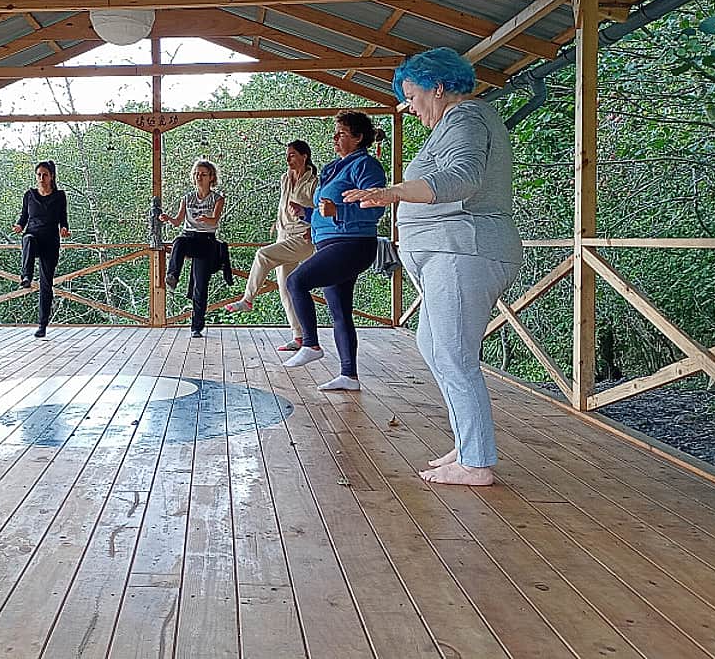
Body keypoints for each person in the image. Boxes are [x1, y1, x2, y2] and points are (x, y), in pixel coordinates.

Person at [343, 47, 522, 487]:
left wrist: (393, 193)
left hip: (465, 250)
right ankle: (467, 443)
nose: (409, 105)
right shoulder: (456, 123)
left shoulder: (466, 118)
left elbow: (463, 178)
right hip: (451, 254)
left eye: (412, 94)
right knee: (433, 344)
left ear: (438, 87)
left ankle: (477, 462)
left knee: (454, 356)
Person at [282, 112, 387, 392]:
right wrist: (307, 212)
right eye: (335, 133)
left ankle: (311, 344)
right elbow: (324, 208)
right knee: (339, 310)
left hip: (352, 243)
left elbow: (377, 206)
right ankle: (348, 375)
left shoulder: (366, 166)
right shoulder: (335, 168)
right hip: (330, 242)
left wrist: (339, 210)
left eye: (341, 133)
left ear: (358, 137)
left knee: (296, 281)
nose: (334, 138)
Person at [224, 140, 318, 352]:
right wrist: (278, 223)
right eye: (287, 154)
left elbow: (322, 209)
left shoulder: (314, 182)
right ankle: (300, 337)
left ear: (304, 156)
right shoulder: (285, 178)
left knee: (262, 255)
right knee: (286, 289)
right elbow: (282, 206)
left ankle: (247, 300)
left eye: (292, 155)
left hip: (303, 238)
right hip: (283, 235)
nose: (288, 159)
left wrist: (310, 220)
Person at [160, 158, 224, 338]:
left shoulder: (217, 198)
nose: (199, 177)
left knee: (200, 285)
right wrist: (168, 219)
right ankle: (173, 275)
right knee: (179, 241)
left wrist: (207, 219)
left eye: (203, 174)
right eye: (196, 174)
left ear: (211, 177)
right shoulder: (187, 198)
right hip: (189, 237)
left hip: (207, 240)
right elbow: (178, 221)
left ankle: (197, 326)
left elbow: (215, 219)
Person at [13, 160, 70, 338]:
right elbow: (24, 217)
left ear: (51, 176)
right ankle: (26, 276)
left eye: (45, 175)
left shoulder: (59, 196)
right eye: (39, 175)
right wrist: (19, 226)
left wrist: (64, 228)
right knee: (28, 239)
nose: (41, 178)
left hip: (51, 242)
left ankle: (42, 325)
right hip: (33, 238)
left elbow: (63, 218)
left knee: (46, 284)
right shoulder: (29, 195)